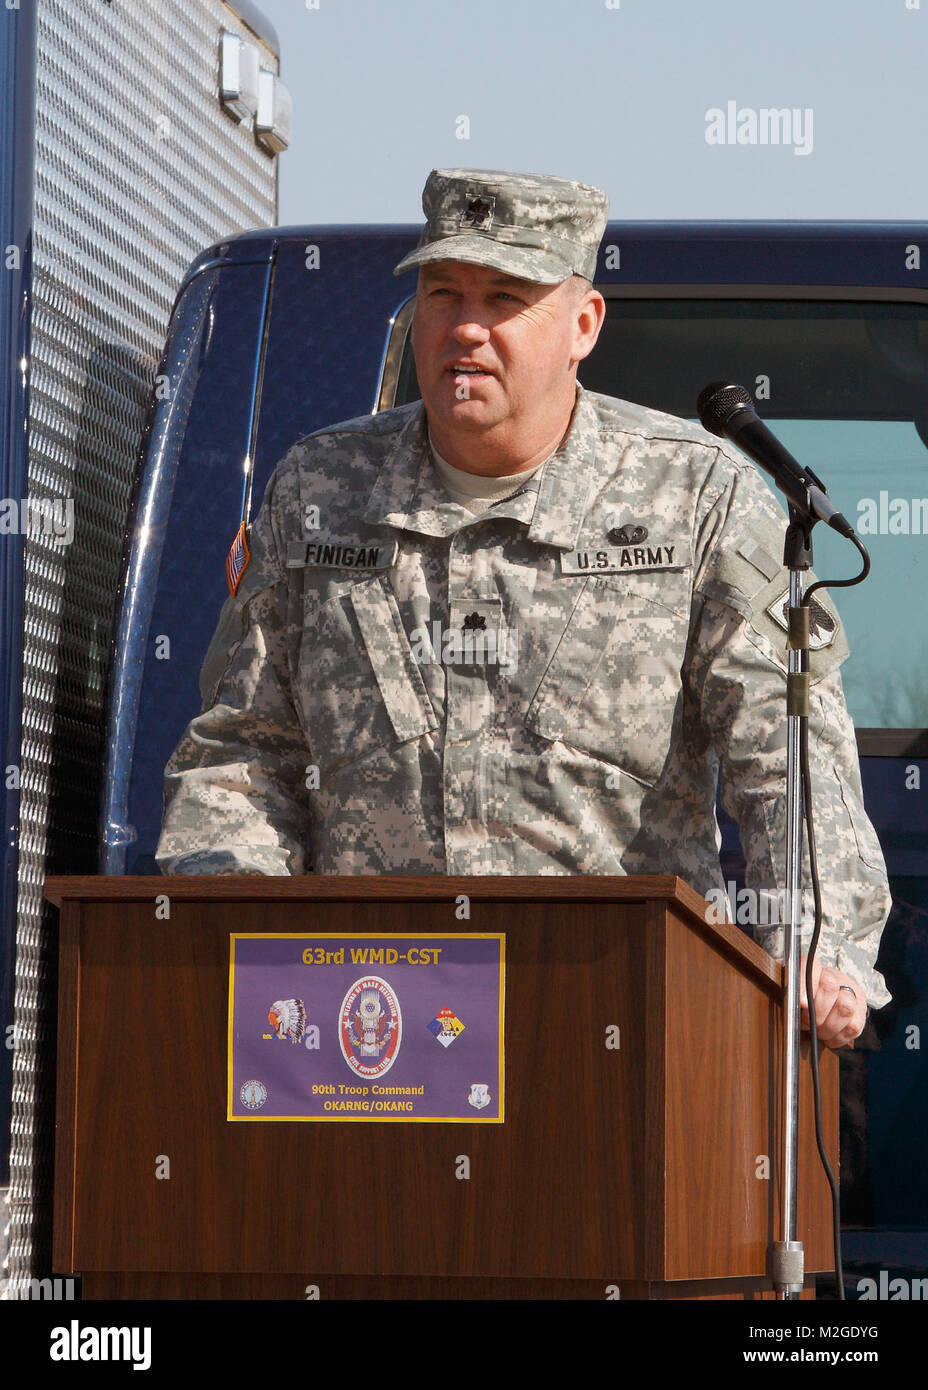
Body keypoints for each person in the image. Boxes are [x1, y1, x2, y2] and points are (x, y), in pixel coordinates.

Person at [156, 167, 891, 1048]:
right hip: (368, 1045)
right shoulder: (317, 492)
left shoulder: (696, 497)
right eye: (442, 293)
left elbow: (791, 751)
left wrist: (815, 943)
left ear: (584, 326)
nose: (467, 326)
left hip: (616, 1025)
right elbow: (241, 752)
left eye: (505, 297)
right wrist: (224, 947)